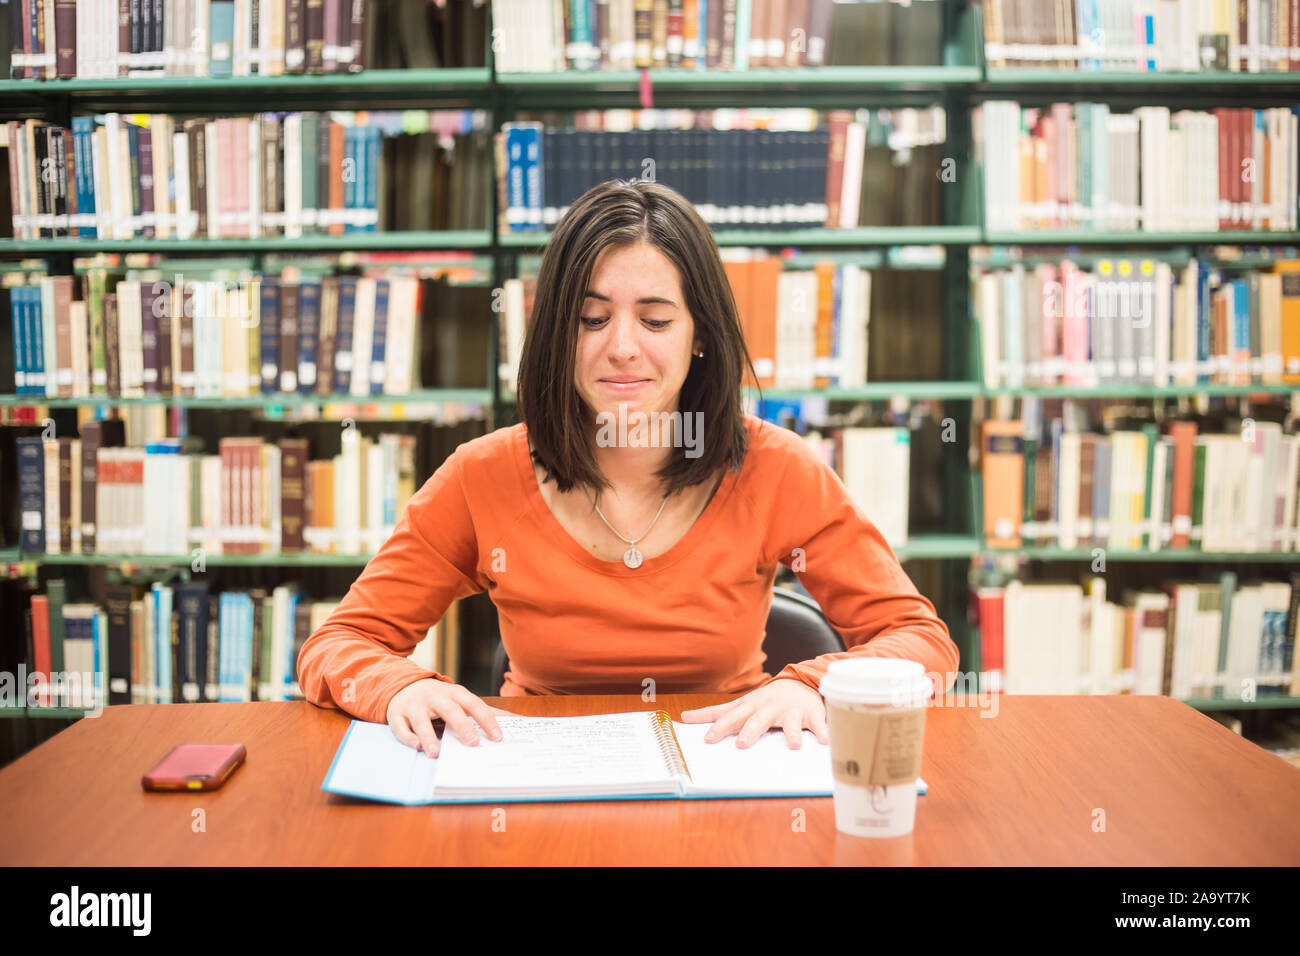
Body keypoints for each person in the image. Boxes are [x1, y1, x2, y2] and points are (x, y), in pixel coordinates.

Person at [297, 179, 959, 758]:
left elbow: (922, 640)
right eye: (591, 318)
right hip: (537, 788)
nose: (621, 348)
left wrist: (811, 685)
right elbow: (338, 644)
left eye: (655, 319)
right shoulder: (482, 476)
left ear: (700, 335)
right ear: (557, 332)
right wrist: (400, 686)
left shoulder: (776, 469)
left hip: (733, 776)